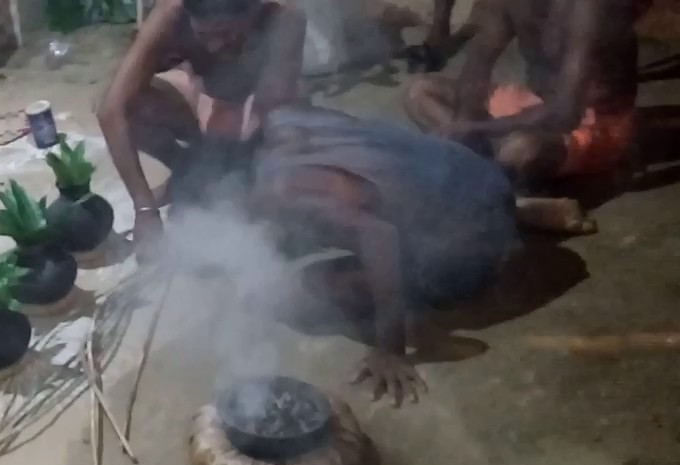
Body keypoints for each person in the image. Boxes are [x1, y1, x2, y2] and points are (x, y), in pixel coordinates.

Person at [244, 106, 520, 406]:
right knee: (333, 220)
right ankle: (527, 211)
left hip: (477, 242)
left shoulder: (281, 190)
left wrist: (390, 348)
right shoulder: (283, 121)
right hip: (484, 179)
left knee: (301, 294)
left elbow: (379, 236)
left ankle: (511, 224)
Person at [97, 0, 306, 257]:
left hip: (260, 115)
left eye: (227, 33)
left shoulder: (283, 17)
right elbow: (110, 109)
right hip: (204, 102)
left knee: (281, 174)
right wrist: (144, 209)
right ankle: (189, 172)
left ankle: (215, 173)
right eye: (204, 35)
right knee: (132, 106)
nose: (215, 45)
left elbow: (273, 105)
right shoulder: (170, 15)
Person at [404, 0, 648, 186]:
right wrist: (463, 120)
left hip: (593, 122)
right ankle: (490, 171)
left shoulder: (588, 8)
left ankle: (486, 171)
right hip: (535, 103)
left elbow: (566, 113)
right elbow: (477, 66)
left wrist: (476, 129)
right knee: (420, 92)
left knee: (519, 150)